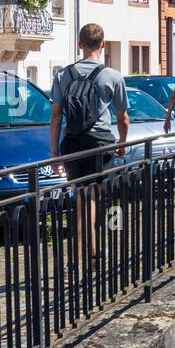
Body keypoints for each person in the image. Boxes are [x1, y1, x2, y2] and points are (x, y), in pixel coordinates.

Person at [50, 23, 129, 254]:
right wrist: (122, 144)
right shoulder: (112, 76)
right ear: (102, 44)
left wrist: (55, 152)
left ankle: (79, 246)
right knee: (92, 194)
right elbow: (122, 118)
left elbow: (55, 117)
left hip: (72, 141)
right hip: (100, 143)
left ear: (80, 44)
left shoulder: (64, 74)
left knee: (80, 194)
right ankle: (91, 248)